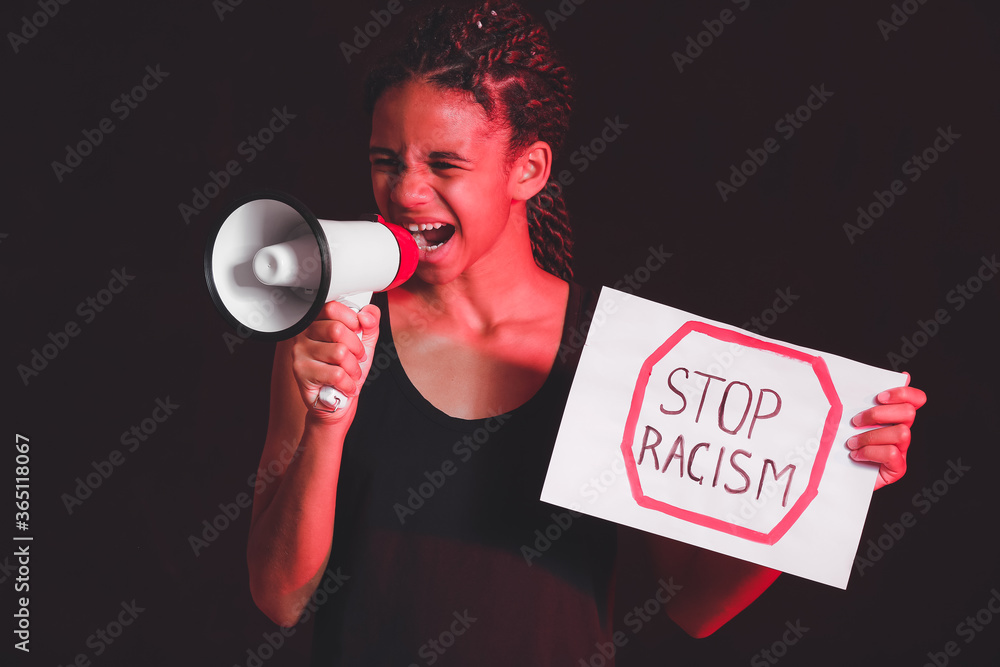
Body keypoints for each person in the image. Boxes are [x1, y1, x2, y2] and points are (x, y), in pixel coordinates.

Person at [245, 1, 927, 663]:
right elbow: (280, 596)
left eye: (444, 165)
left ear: (529, 169)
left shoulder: (623, 353)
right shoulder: (329, 329)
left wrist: (823, 485)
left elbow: (695, 604)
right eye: (386, 160)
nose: (406, 192)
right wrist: (327, 421)